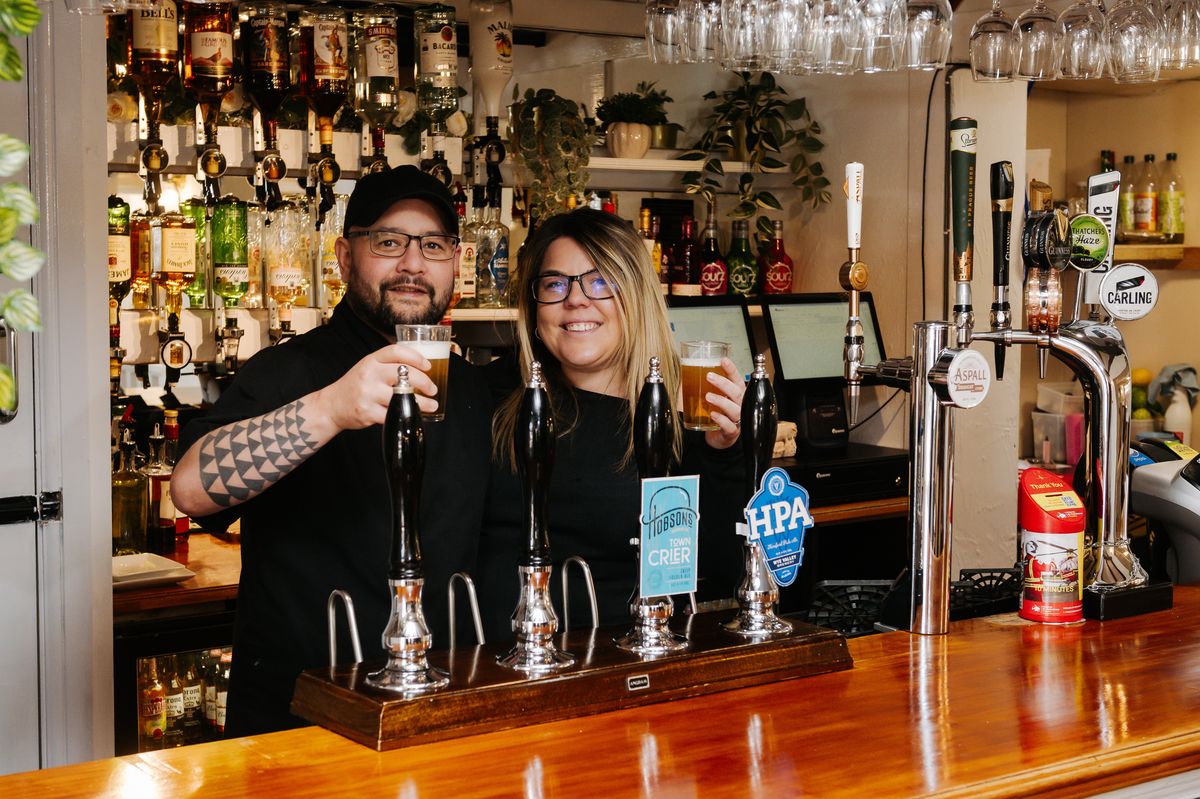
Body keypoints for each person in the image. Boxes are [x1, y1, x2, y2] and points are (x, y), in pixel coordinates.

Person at [170, 166, 493, 736]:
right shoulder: (289, 372)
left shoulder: (475, 390)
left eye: (434, 246)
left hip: (441, 712)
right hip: (301, 721)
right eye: (389, 243)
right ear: (345, 258)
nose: (413, 265)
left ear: (456, 262)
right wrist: (330, 410)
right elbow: (191, 489)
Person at [477, 208, 747, 641]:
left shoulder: (684, 409)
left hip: (634, 660)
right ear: (533, 305)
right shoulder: (489, 397)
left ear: (636, 294)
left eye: (601, 281)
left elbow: (719, 572)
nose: (576, 299)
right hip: (506, 665)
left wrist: (725, 449)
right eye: (554, 284)